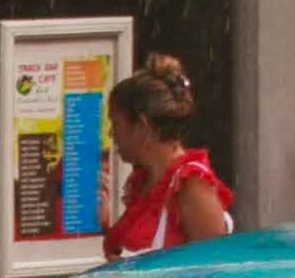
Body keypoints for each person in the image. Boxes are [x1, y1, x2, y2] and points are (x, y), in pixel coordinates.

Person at [99, 55, 236, 258]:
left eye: (116, 124)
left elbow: (213, 272)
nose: (111, 134)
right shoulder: (143, 183)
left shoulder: (191, 185)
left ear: (142, 127)